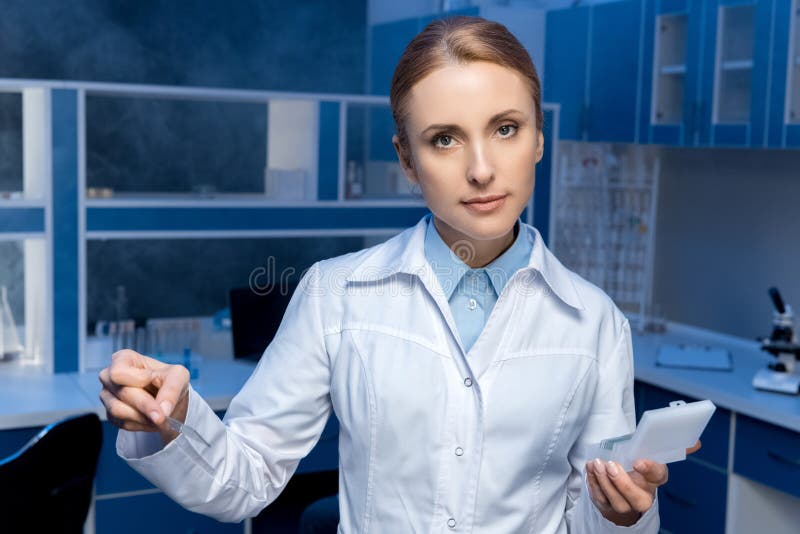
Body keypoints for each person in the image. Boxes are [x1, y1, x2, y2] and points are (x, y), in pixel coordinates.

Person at [99, 16, 699, 533]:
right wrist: (173, 422)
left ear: (539, 137)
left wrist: (625, 514)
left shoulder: (595, 324)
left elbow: (590, 515)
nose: (483, 169)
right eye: (445, 140)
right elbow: (244, 477)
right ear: (408, 160)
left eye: (506, 128)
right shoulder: (336, 294)